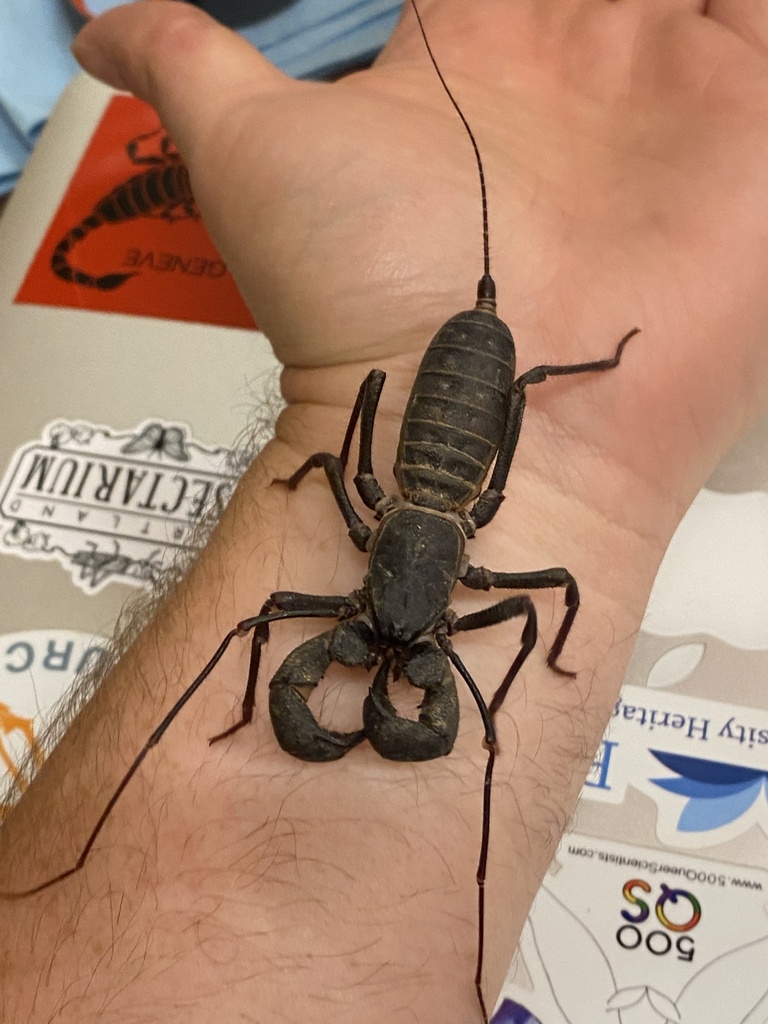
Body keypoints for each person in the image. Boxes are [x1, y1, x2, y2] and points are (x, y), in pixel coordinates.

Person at [2, 0, 768, 1020]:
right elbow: (350, 464)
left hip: (442, 455)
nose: (392, 641)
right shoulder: (416, 566)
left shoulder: (395, 544)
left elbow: (536, 587)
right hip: (436, 477)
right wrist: (337, 407)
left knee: (511, 455)